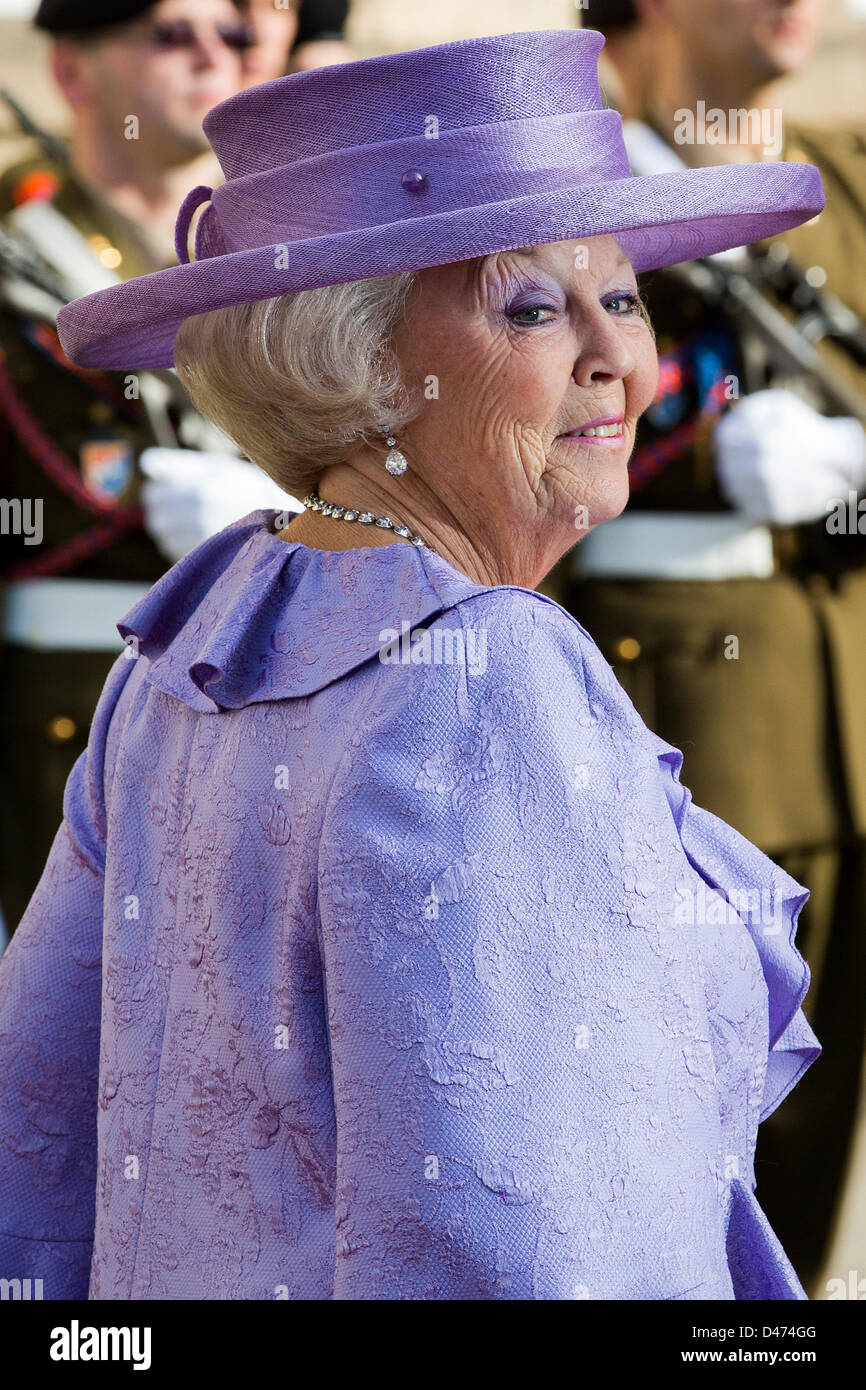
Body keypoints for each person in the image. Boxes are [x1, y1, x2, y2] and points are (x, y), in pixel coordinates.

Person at [0, 29, 825, 1300]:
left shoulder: (189, 643)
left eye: (621, 294)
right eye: (532, 306)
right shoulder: (482, 675)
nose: (618, 358)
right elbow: (514, 1235)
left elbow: (33, 1172)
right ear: (364, 363)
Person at [563, 0, 866, 1297]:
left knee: (794, 1200)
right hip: (654, 753)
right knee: (646, 1185)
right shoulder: (550, 192)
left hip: (840, 750)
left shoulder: (840, 183)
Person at [0, 0, 298, 936]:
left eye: (238, 33)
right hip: (73, 711)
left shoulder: (310, 256)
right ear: (74, 74)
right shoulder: (22, 251)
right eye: (171, 32)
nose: (213, 54)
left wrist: (287, 511)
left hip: (280, 705)